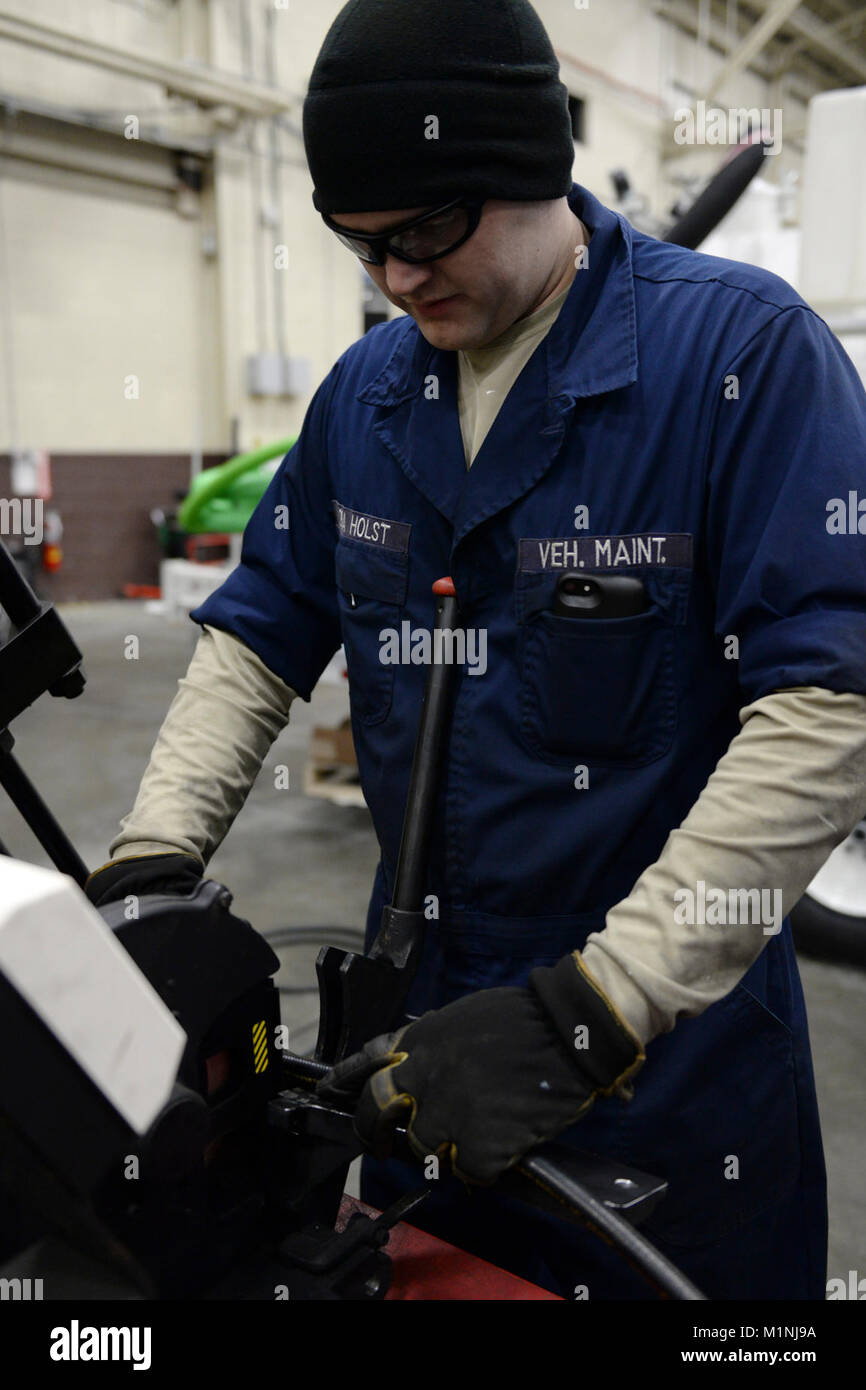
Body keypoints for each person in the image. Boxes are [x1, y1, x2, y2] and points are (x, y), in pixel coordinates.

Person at [86, 0, 866, 1299]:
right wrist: (152, 862)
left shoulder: (737, 357)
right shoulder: (370, 393)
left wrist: (597, 1006)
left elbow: (829, 702)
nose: (395, 280)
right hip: (421, 1063)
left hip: (660, 1062)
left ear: (535, 164)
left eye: (427, 233)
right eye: (361, 246)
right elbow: (256, 636)